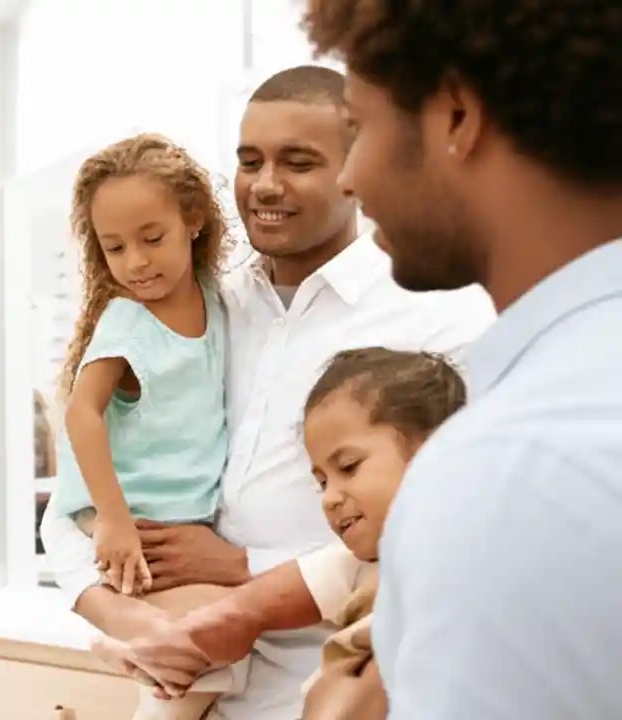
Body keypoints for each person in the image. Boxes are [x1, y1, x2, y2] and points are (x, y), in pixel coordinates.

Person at [111, 3, 622, 718]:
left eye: (366, 127)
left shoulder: (512, 462)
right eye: (249, 159)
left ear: (456, 120)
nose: (355, 180)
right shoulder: (575, 389)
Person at [59, 65, 495, 720]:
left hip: (351, 690)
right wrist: (127, 619)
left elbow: (455, 522)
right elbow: (76, 499)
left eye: (299, 162)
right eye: (249, 160)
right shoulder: (204, 312)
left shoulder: (440, 315)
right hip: (199, 682)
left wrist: (244, 567)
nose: (265, 185)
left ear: (355, 169)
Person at [97, 348, 467, 720]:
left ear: (435, 452)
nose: (331, 499)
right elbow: (267, 600)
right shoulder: (356, 563)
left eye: (349, 467)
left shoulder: (464, 555)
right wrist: (188, 639)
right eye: (321, 483)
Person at [39, 132, 243, 720]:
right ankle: (130, 647)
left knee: (221, 646)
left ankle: (131, 650)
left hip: (170, 524)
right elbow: (80, 412)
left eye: (152, 239)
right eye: (115, 248)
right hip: (124, 526)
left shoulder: (214, 298)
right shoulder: (128, 321)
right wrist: (114, 520)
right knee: (217, 637)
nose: (136, 262)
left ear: (195, 220)